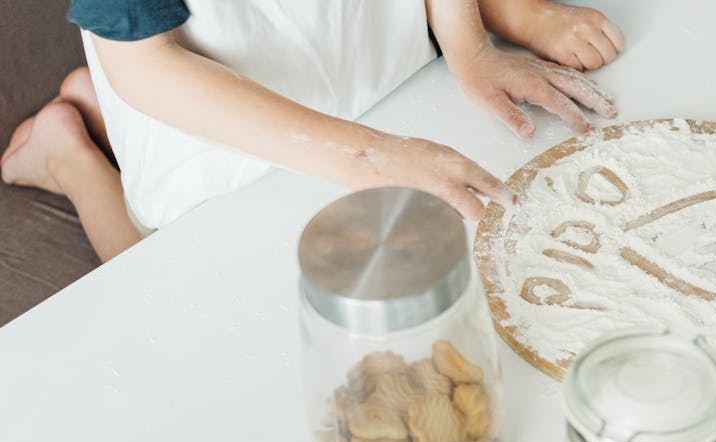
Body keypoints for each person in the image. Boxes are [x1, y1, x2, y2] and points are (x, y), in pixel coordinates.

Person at [0, 0, 624, 263]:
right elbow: (146, 67)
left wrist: (469, 49)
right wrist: (369, 158)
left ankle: (95, 99)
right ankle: (70, 157)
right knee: (151, 260)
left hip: (377, 77)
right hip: (223, 123)